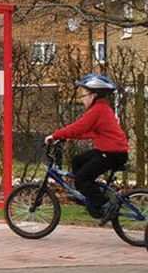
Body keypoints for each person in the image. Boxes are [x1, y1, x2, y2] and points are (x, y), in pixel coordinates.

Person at [44, 72, 128, 224]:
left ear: (94, 95)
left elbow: (79, 127)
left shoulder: (98, 110)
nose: (82, 98)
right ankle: (88, 195)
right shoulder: (101, 109)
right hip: (109, 151)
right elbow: (89, 132)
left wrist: (55, 135)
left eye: (84, 94)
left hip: (112, 154)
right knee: (78, 161)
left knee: (82, 178)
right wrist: (65, 137)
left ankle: (107, 205)